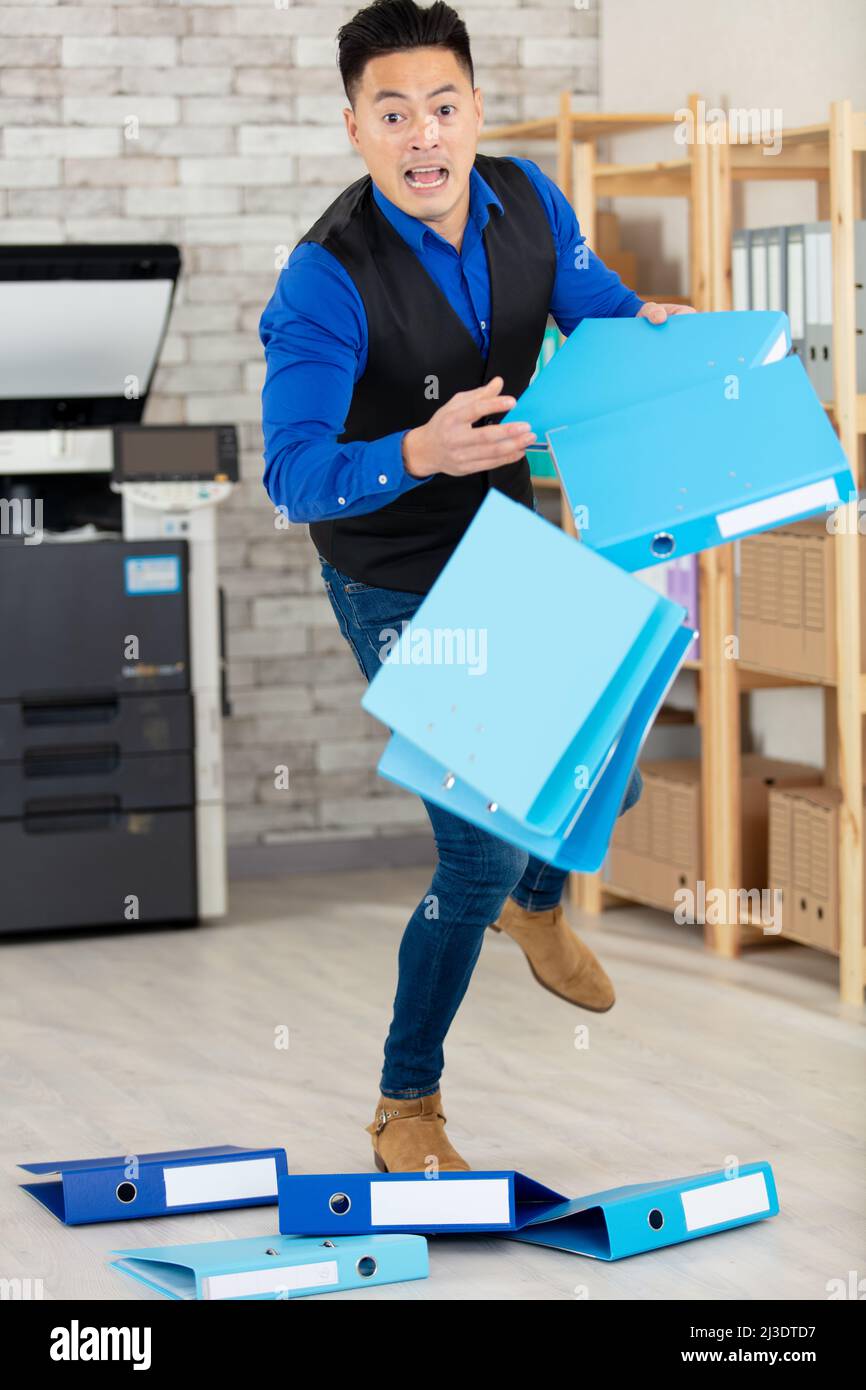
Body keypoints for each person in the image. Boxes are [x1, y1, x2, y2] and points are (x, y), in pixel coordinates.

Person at [259, 0, 695, 1173]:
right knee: (476, 851)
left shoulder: (528, 202)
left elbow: (593, 310)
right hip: (394, 575)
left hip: (506, 544)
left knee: (611, 748)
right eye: (393, 113)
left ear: (475, 110)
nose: (423, 136)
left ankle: (537, 903)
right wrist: (417, 448)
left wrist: (648, 329)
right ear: (354, 127)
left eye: (442, 107)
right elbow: (291, 475)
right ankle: (407, 1104)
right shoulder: (323, 279)